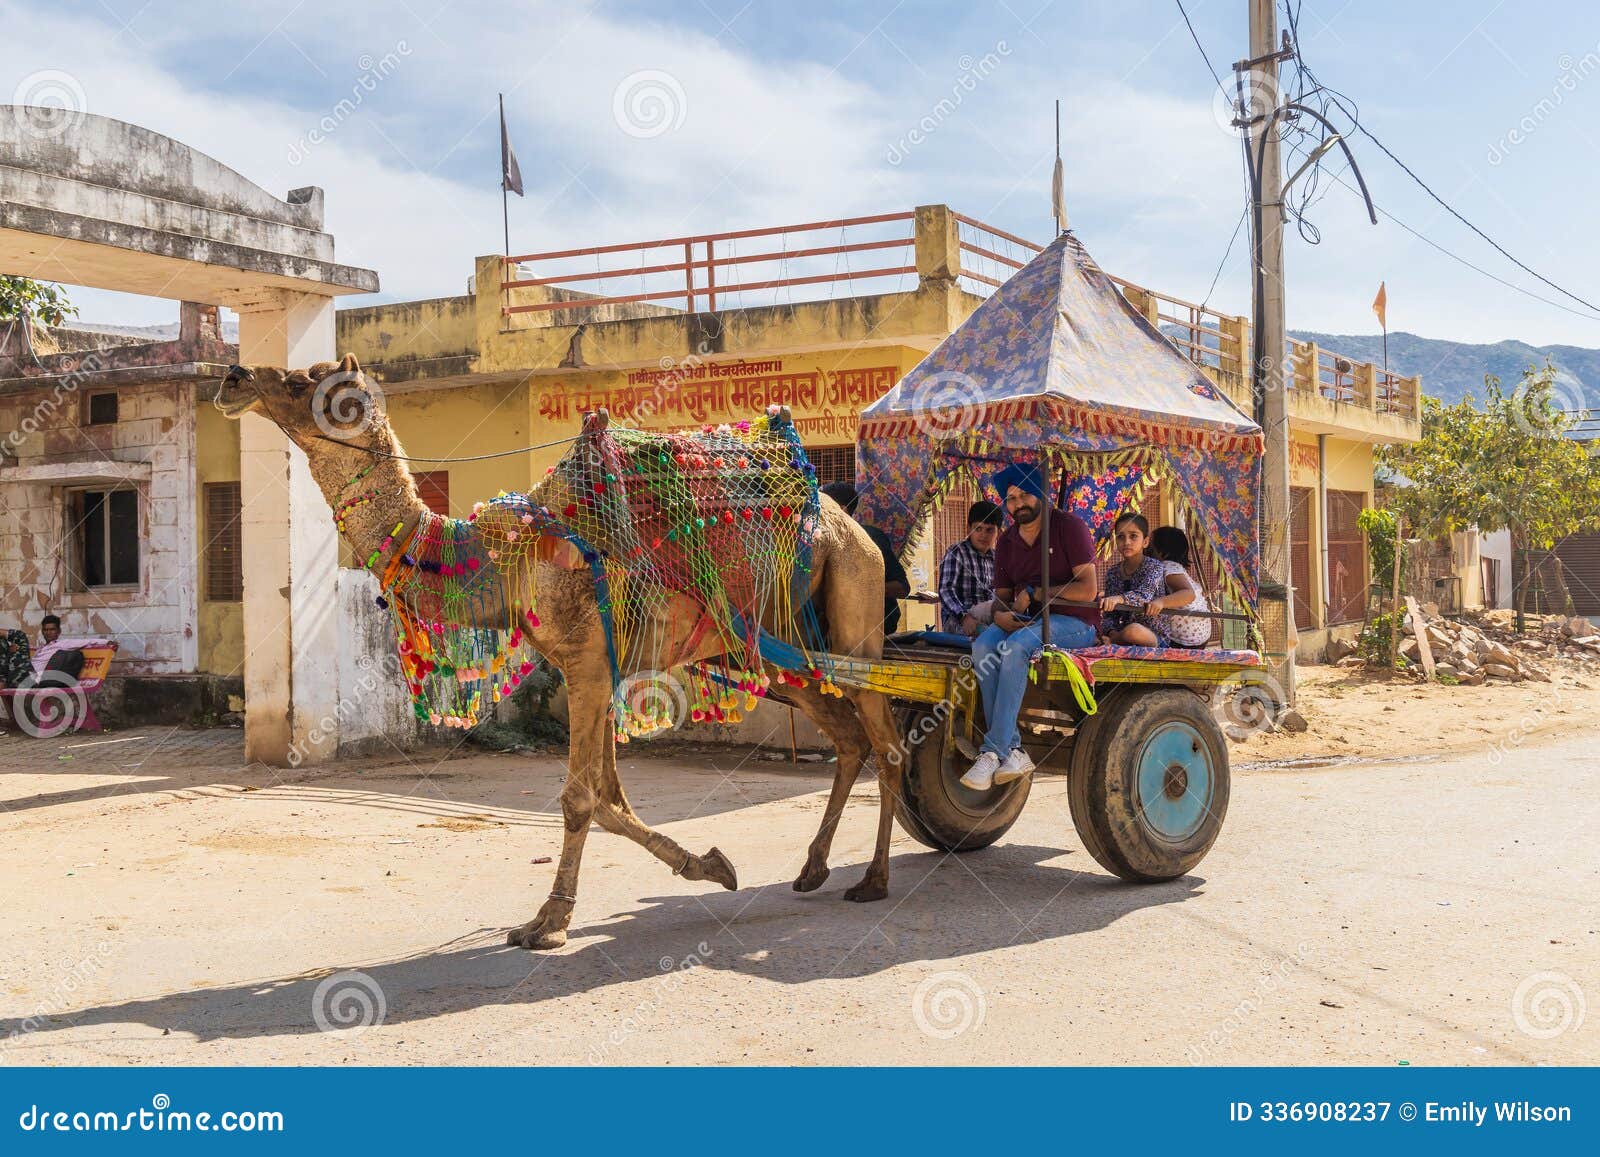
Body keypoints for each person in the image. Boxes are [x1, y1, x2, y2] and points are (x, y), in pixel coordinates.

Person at [961, 464, 1100, 791]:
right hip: (1028, 622)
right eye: (1011, 498)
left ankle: (993, 750)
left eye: (1025, 495)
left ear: (1042, 495)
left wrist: (1039, 594)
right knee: (983, 646)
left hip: (1075, 621)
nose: (1018, 503)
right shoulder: (1007, 542)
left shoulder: (1069, 527)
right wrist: (1000, 616)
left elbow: (1088, 590)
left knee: (1016, 646)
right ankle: (1015, 750)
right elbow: (1003, 599)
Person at [820, 482, 910, 633]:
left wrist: (854, 588)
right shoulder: (818, 540)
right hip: (830, 628)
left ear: (841, 510)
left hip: (874, 627)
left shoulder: (871, 538)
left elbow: (902, 588)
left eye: (823, 508)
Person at [1099, 513, 1167, 646]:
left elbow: (1144, 596)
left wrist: (1119, 599)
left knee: (1133, 631)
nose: (1126, 542)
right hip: (1122, 634)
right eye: (1120, 537)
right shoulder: (1112, 572)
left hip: (1153, 636)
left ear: (1145, 542)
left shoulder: (1154, 566)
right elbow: (1109, 615)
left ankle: (1113, 642)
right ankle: (1116, 640)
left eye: (1133, 536)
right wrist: (1112, 632)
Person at [937, 500, 1003, 635]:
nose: (983, 535)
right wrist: (964, 617)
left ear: (999, 533)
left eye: (989, 530)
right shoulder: (957, 552)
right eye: (978, 529)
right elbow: (946, 590)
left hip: (990, 618)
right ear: (969, 529)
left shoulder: (998, 559)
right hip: (959, 619)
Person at [1146, 525, 1213, 649]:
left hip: (1183, 639)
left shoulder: (1167, 566)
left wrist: (1161, 602)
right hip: (1200, 636)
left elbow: (1189, 594)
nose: (1147, 549)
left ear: (1162, 552)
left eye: (1151, 546)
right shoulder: (1177, 568)